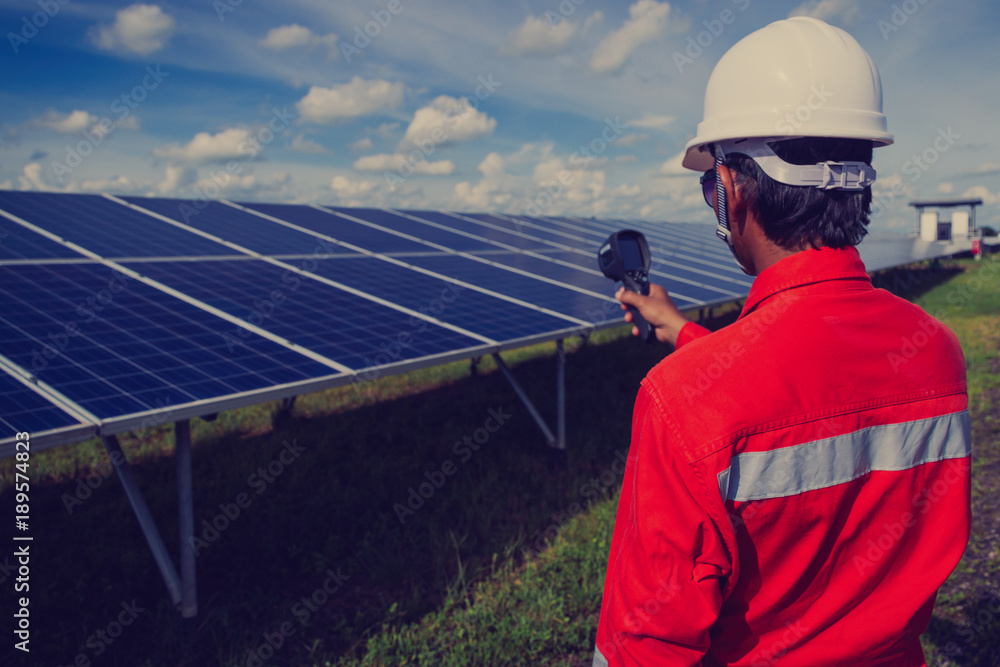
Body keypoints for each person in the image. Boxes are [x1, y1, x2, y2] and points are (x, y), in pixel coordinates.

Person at [594, 16, 971, 667]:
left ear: (733, 191)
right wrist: (681, 330)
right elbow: (789, 391)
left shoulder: (678, 402)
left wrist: (694, 366)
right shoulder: (936, 353)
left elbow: (642, 646)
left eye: (710, 181)